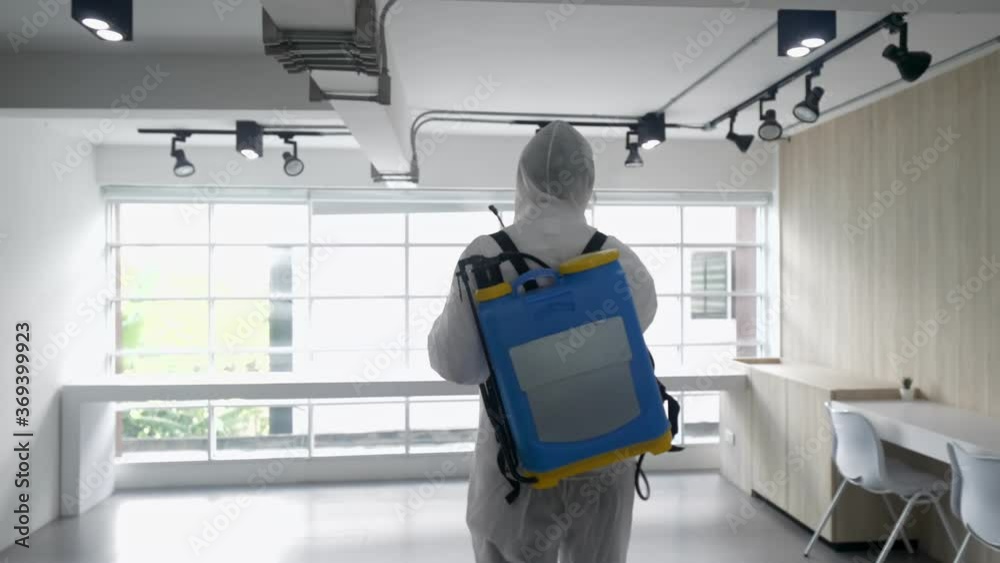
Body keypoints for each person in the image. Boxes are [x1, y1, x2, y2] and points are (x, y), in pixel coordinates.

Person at [427, 121, 658, 563]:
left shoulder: (485, 254)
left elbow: (458, 364)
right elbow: (637, 326)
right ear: (587, 182)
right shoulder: (616, 256)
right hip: (604, 454)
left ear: (522, 179)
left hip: (518, 465)